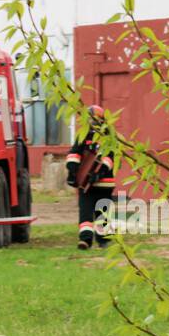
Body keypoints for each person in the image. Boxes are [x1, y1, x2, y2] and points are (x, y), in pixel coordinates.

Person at [66, 104, 117, 250]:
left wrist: (98, 174)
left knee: (95, 211)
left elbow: (109, 159)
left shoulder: (105, 137)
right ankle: (88, 240)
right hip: (87, 183)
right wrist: (72, 172)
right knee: (92, 211)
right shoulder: (104, 136)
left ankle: (100, 240)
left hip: (103, 182)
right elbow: (74, 155)